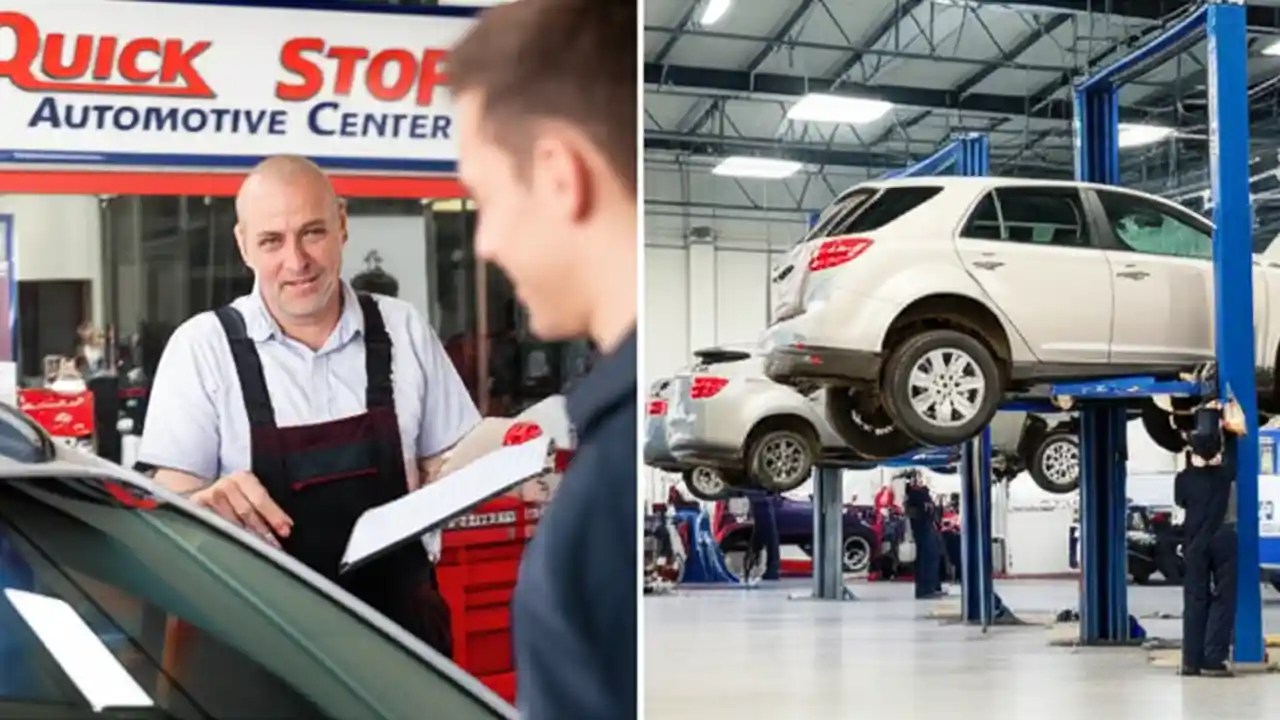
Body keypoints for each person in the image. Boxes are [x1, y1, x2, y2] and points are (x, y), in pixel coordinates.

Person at [136, 155, 480, 657]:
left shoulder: (402, 329)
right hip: (265, 654)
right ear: (243, 245)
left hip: (404, 650)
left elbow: (448, 463)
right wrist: (202, 505)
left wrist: (493, 464)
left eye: (313, 232)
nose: (296, 262)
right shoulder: (202, 350)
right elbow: (167, 517)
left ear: (342, 224)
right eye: (272, 241)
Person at [450, 1, 637, 717]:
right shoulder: (611, 454)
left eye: (486, 197)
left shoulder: (596, 520)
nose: (486, 243)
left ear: (559, 175)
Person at [1175, 400, 1242, 677]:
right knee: (1224, 597)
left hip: (1194, 542)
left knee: (1195, 599)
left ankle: (1190, 660)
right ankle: (1213, 658)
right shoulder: (1224, 475)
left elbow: (1180, 502)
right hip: (1222, 538)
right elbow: (1235, 450)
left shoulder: (1183, 480)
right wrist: (1228, 428)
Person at [903, 471, 945, 599]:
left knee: (931, 556)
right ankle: (926, 588)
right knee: (928, 556)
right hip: (924, 528)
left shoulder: (916, 496)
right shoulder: (917, 495)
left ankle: (931, 586)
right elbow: (925, 511)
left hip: (924, 528)